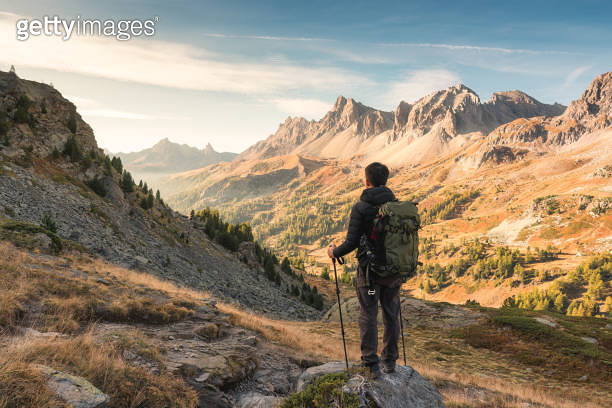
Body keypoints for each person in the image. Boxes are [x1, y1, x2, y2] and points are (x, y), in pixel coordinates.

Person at [327, 162, 401, 378]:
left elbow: (351, 243)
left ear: (367, 181)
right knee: (391, 312)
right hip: (393, 274)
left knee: (369, 311)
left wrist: (334, 252)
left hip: (371, 276)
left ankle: (371, 363)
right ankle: (390, 361)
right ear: (385, 181)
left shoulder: (362, 207)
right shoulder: (395, 205)